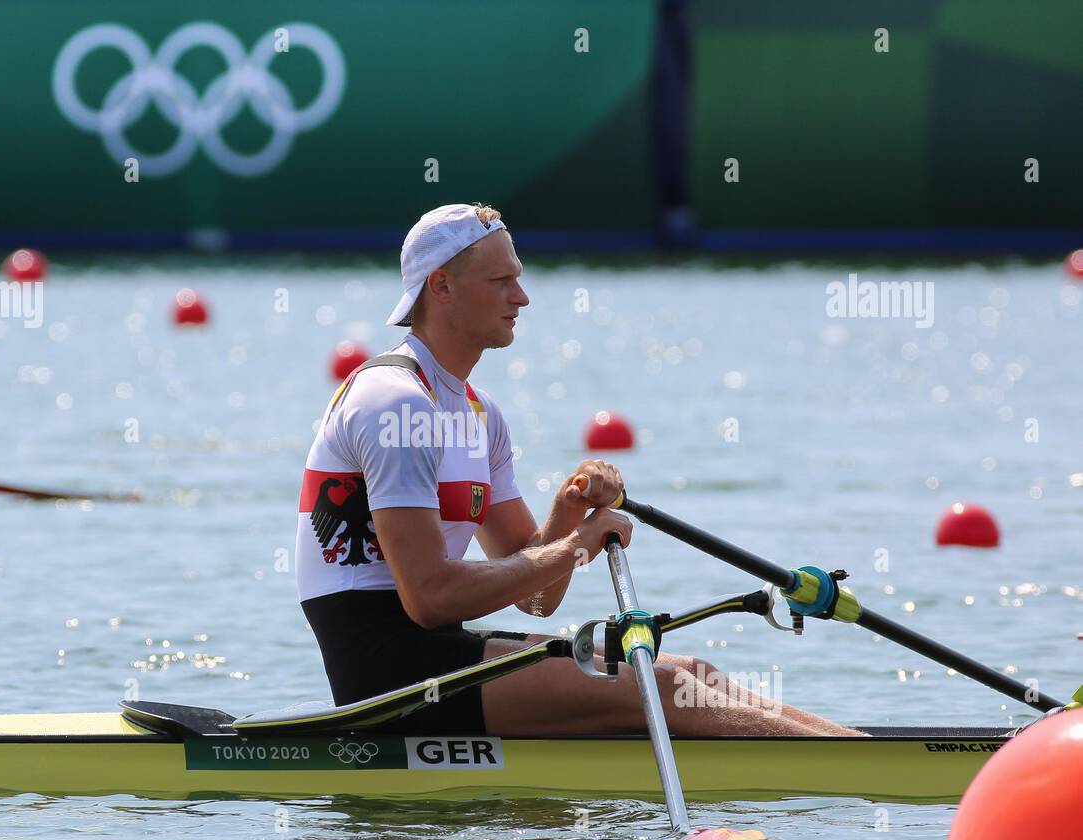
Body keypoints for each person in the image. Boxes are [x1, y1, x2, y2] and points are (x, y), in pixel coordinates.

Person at [295, 203, 862, 737]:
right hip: (384, 673)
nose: (522, 297)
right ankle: (869, 787)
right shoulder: (394, 402)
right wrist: (574, 547)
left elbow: (537, 601)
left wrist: (568, 512)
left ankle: (864, 752)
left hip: (437, 652)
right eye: (500, 282)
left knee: (697, 674)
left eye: (517, 277)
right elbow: (430, 597)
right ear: (441, 286)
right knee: (665, 689)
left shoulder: (478, 412)